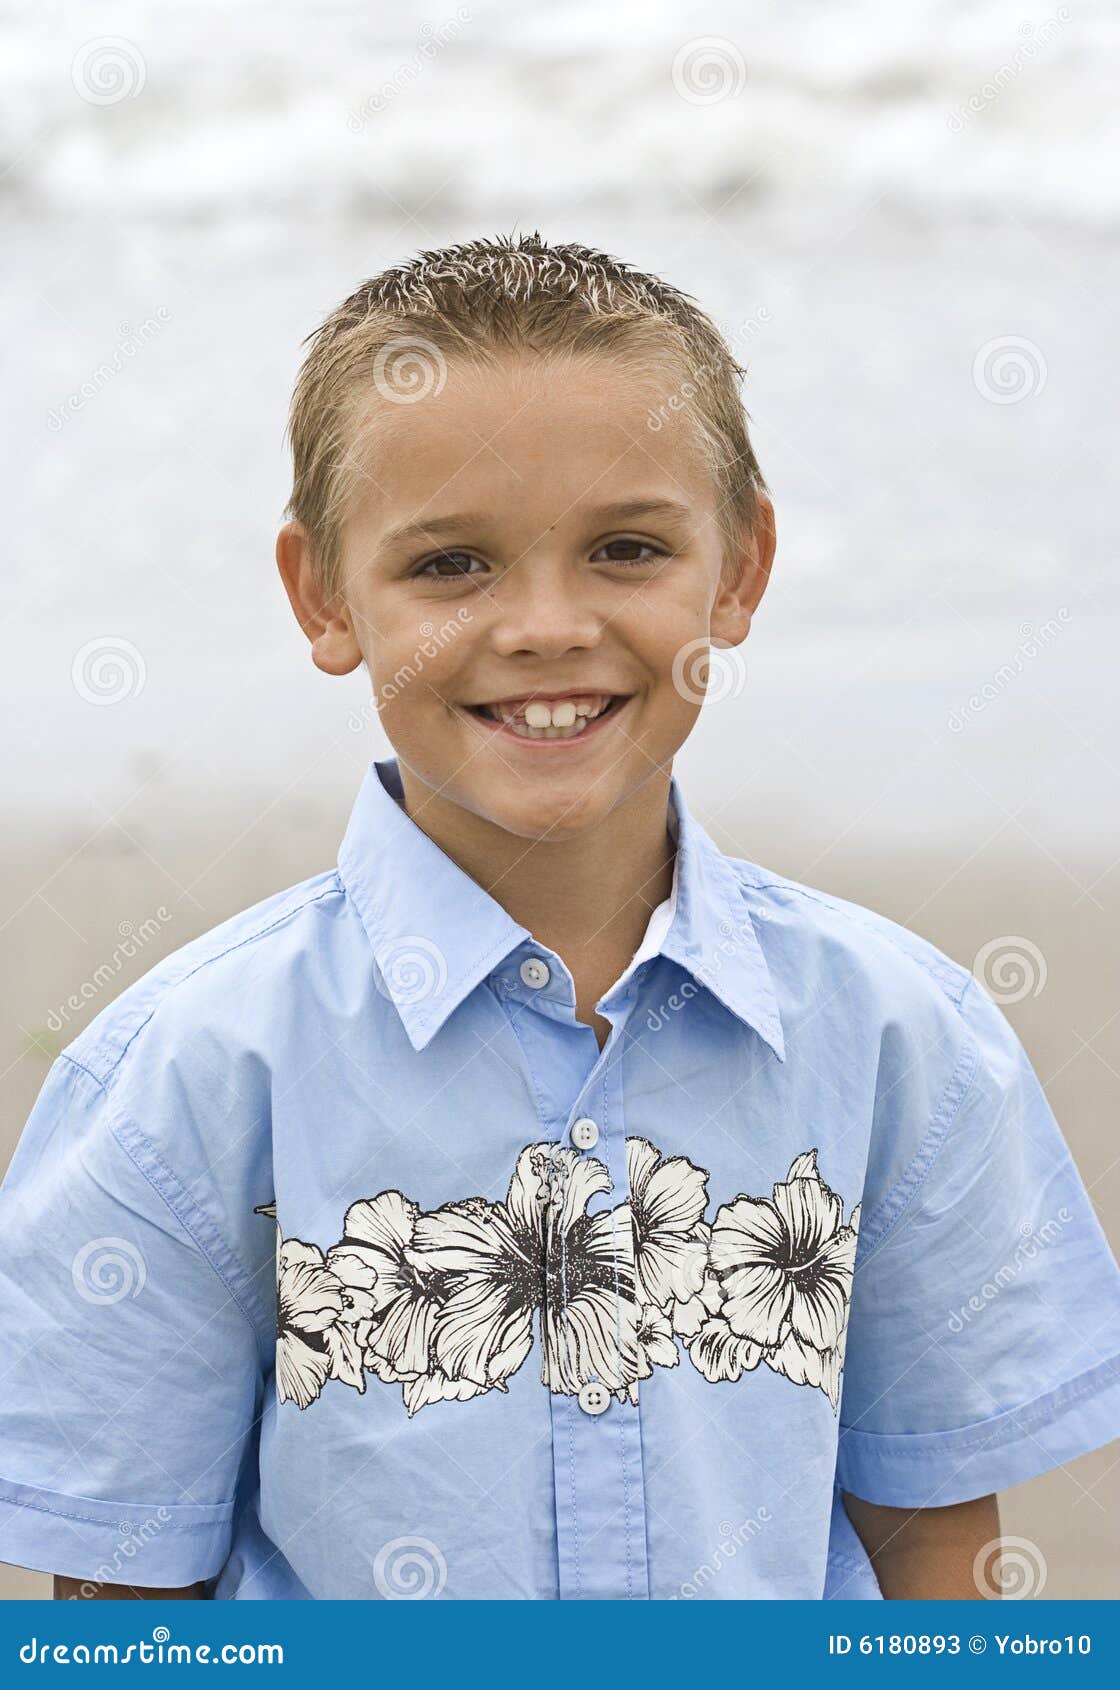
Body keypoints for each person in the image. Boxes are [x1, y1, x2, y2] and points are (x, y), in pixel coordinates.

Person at [2, 233, 1118, 1601]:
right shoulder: (179, 1075)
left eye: (626, 548)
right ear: (324, 592)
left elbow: (937, 1554)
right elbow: (126, 1611)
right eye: (453, 563)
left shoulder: (905, 1040)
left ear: (741, 567)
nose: (542, 625)